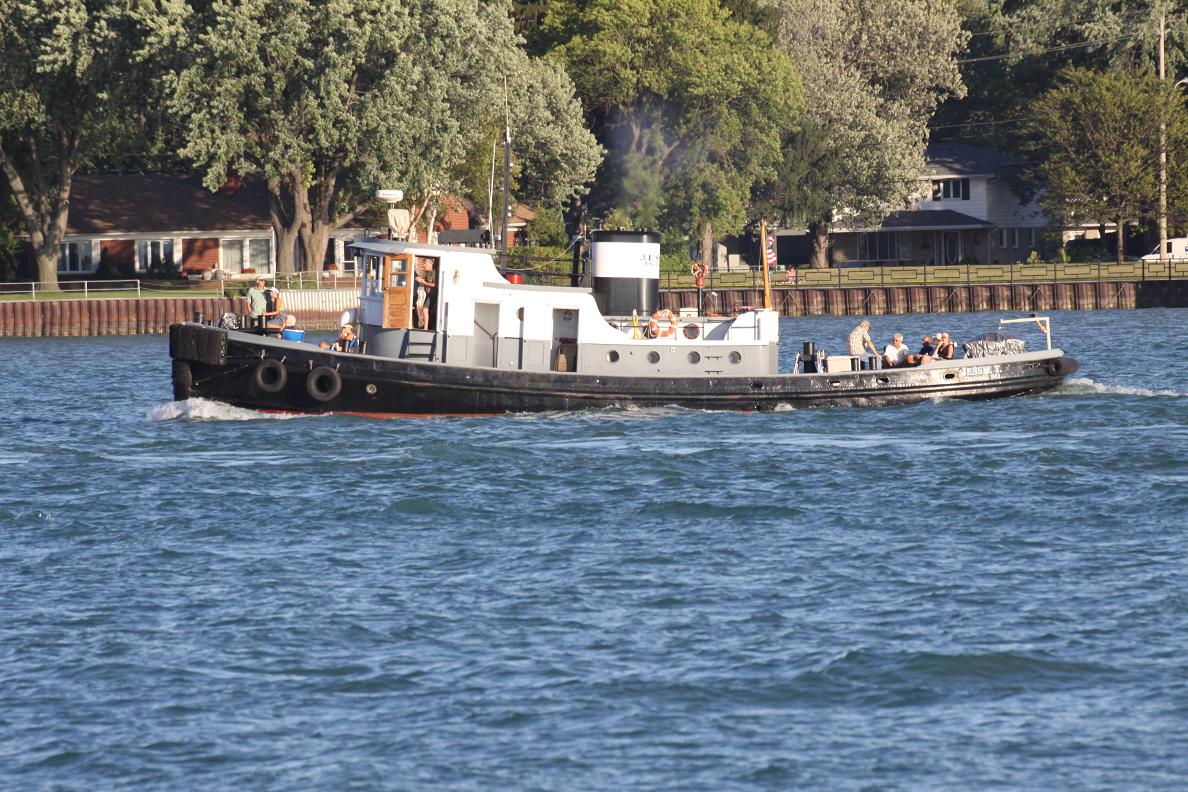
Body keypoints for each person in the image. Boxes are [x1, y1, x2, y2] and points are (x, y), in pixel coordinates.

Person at [414, 260, 435, 329]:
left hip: (432, 295)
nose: (424, 265)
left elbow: (434, 285)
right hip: (428, 294)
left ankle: (426, 328)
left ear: (430, 264)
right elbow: (425, 281)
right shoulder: (427, 273)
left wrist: (424, 282)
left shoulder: (434, 272)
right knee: (425, 310)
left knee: (425, 310)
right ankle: (426, 327)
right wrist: (420, 279)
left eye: (425, 264)